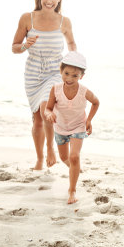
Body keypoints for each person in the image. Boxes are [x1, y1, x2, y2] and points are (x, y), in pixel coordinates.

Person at [11, 0, 77, 170]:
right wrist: (25, 45)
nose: (49, 1)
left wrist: (74, 64)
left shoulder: (64, 21)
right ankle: (40, 159)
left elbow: (71, 44)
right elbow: (14, 47)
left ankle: (51, 148)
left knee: (45, 108)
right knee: (37, 120)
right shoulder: (27, 18)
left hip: (55, 70)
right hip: (33, 72)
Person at [44, 51, 100, 204]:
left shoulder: (84, 91)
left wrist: (89, 120)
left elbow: (96, 102)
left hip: (78, 126)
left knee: (74, 157)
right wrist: (49, 114)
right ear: (61, 71)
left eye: (74, 76)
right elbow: (48, 108)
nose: (69, 78)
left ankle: (72, 191)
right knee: (64, 158)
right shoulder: (55, 89)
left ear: (81, 76)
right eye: (66, 73)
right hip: (60, 127)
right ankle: (74, 168)